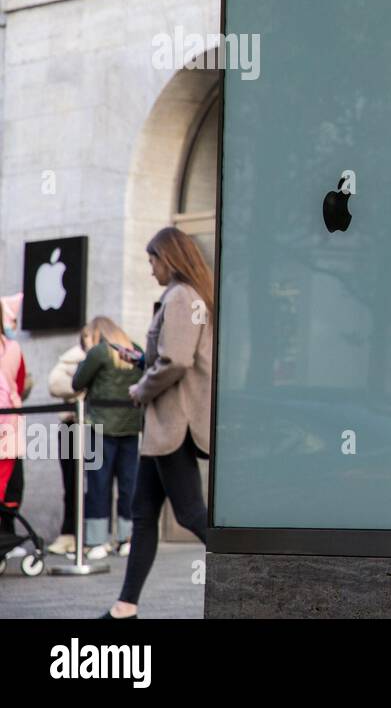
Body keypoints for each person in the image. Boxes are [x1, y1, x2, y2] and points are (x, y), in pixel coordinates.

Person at [101, 228, 213, 620]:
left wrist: (141, 389)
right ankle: (124, 607)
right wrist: (141, 360)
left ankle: (262, 569)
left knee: (191, 514)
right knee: (144, 513)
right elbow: (172, 355)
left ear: (169, 258)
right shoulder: (186, 296)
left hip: (173, 423)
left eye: (152, 261)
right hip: (165, 426)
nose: (150, 270)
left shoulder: (181, 297)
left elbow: (178, 361)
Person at [73, 316, 145, 560]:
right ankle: (128, 539)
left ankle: (96, 542)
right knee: (129, 485)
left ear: (96, 333)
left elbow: (77, 382)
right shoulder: (136, 350)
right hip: (130, 427)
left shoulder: (99, 353)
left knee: (98, 484)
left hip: (100, 426)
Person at [46, 340, 88, 556]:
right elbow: (55, 384)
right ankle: (69, 534)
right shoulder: (70, 358)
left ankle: (87, 536)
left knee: (92, 485)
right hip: (70, 426)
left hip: (92, 427)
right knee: (70, 483)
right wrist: (82, 389)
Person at [0, 294, 32, 549]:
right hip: (8, 425)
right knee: (9, 484)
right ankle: (5, 538)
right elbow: (20, 384)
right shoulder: (11, 349)